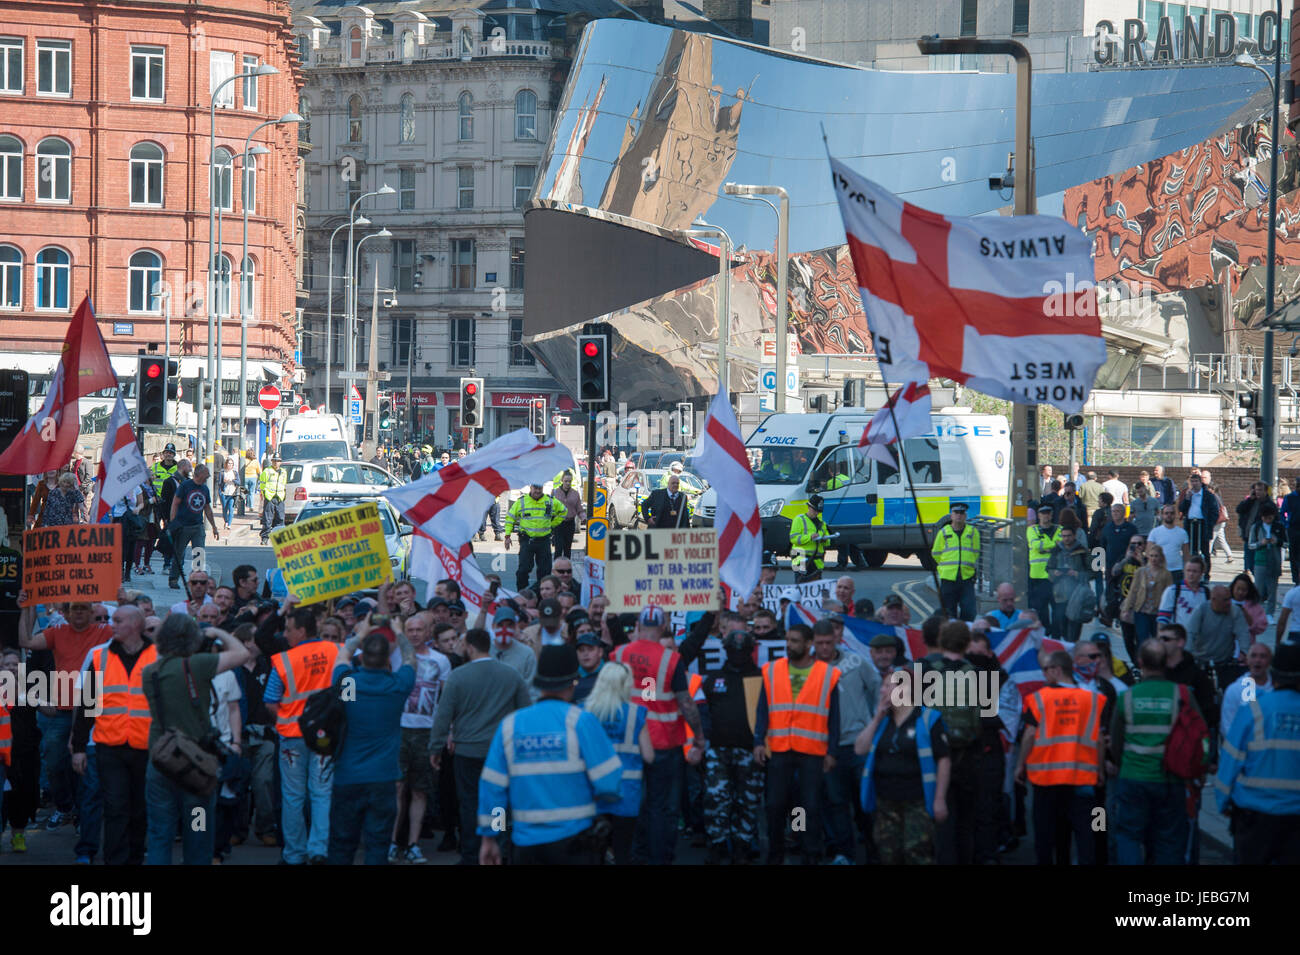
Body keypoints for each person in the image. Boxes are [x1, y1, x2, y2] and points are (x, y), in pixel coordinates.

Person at [475, 644, 622, 865]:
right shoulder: (581, 721)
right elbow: (610, 783)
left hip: (526, 846)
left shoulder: (511, 725)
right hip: (575, 844)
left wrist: (492, 836)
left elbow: (493, 789)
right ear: (574, 683)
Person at [141, 615, 249, 865]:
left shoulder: (151, 672)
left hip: (160, 762)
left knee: (159, 833)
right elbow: (241, 653)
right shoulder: (198, 665)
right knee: (198, 832)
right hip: (195, 769)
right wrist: (216, 632)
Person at [428, 628, 531, 865]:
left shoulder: (458, 676)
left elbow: (443, 715)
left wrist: (435, 748)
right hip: (501, 753)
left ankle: (472, 854)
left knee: (470, 804)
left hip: (468, 752)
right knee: (499, 803)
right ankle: (500, 849)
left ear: (471, 647)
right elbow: (524, 712)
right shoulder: (511, 675)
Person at [612, 606, 705, 865]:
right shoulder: (670, 660)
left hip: (629, 741)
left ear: (638, 626)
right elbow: (686, 702)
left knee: (632, 802)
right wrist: (698, 736)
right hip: (664, 742)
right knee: (660, 807)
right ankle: (660, 858)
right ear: (664, 626)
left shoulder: (619, 654)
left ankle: (635, 856)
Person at [68, 604, 155, 865]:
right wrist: (80, 747)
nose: (111, 625)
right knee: (116, 808)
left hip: (146, 747)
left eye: (118, 620)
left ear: (136, 626)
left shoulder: (158, 656)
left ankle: (135, 859)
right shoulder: (100, 657)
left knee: (139, 810)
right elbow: (87, 705)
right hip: (109, 747)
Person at [18, 597, 113, 833]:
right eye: (74, 609)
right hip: (63, 710)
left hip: (92, 710)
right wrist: (27, 608)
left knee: (86, 766)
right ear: (66, 613)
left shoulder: (104, 632)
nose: (79, 613)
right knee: (53, 760)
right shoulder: (56, 632)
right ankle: (64, 806)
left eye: (84, 608)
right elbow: (25, 641)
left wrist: (121, 600)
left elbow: (134, 631)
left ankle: (83, 814)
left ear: (92, 613)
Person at [328, 625, 415, 866]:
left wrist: (361, 633)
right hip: (383, 778)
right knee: (377, 846)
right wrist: (398, 632)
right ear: (388, 659)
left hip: (348, 775)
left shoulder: (350, 686)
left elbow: (343, 656)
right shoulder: (398, 686)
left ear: (363, 657)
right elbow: (410, 658)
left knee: (341, 845)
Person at [754, 622, 840, 866]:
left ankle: (808, 852)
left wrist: (832, 751)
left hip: (811, 752)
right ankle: (776, 854)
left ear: (808, 644)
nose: (789, 645)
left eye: (794, 641)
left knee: (806, 807)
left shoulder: (826, 674)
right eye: (788, 641)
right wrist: (759, 740)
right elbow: (763, 709)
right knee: (774, 805)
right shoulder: (772, 670)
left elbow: (834, 717)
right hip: (780, 750)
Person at [1109, 638, 1198, 864]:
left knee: (1129, 835)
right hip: (1171, 778)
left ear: (1139, 662)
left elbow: (1116, 744)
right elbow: (1200, 735)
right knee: (1168, 839)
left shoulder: (1126, 697)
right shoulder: (1183, 694)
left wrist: (1124, 764)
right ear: (1167, 662)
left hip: (1133, 777)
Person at [264, 603, 340, 865]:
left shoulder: (284, 660)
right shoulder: (337, 652)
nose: (285, 634)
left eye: (289, 629)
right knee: (322, 792)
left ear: (302, 631)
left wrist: (285, 719)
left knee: (293, 796)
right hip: (324, 737)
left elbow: (270, 701)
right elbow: (349, 688)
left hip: (293, 738)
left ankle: (294, 854)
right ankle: (319, 850)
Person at [1014, 650, 1104, 865]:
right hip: (1082, 777)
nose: (1044, 675)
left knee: (1045, 835)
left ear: (1056, 670)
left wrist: (1020, 765)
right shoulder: (1092, 699)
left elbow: (1029, 735)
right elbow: (1099, 738)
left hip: (1046, 779)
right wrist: (1099, 770)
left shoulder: (1039, 699)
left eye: (1046, 670)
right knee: (1087, 830)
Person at [1216, 638, 1300, 864]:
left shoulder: (1253, 709)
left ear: (1274, 671)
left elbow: (1231, 758)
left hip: (1254, 814)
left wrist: (1223, 800)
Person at [855, 667, 950, 865]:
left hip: (917, 801)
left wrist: (940, 799)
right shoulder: (883, 721)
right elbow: (860, 749)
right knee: (888, 853)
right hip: (885, 801)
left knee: (917, 853)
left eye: (888, 686)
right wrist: (877, 718)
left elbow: (943, 759)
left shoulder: (927, 718)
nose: (882, 690)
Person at [696, 628, 765, 864]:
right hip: (718, 750)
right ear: (725, 651)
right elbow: (703, 712)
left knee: (748, 801)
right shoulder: (713, 678)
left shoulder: (761, 678)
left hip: (750, 751)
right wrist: (703, 741)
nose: (738, 654)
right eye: (733, 650)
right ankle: (717, 846)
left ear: (750, 651)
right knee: (715, 799)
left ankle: (743, 846)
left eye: (742, 650)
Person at [814, 617, 877, 865]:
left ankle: (874, 851)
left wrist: (872, 726)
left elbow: (877, 690)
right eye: (820, 643)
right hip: (827, 748)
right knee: (836, 803)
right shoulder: (808, 669)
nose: (825, 648)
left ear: (838, 639)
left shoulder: (857, 662)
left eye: (829, 642)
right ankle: (844, 854)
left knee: (864, 803)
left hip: (858, 745)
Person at [389, 610, 451, 864]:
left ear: (428, 633)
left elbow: (446, 700)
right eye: (410, 630)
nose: (414, 634)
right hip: (400, 729)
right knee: (397, 787)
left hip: (427, 731)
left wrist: (446, 731)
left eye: (419, 630)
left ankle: (414, 843)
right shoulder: (395, 656)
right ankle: (393, 842)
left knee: (420, 790)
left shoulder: (441, 661)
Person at [582, 660, 653, 865]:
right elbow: (649, 756)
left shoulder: (585, 711)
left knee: (594, 853)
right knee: (623, 852)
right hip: (626, 794)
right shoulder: (636, 713)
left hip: (593, 792)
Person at [504, 483, 564, 591]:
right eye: (535, 488)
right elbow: (510, 518)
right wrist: (507, 536)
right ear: (530, 488)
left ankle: (542, 595)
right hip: (527, 541)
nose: (537, 491)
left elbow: (564, 511)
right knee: (523, 570)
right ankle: (522, 594)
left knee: (545, 572)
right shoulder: (521, 502)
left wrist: (553, 524)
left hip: (544, 541)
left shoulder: (550, 501)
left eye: (540, 488)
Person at [168, 463, 219, 589]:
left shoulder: (205, 489)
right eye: (206, 474)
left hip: (197, 526)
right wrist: (173, 522)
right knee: (178, 553)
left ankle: (197, 579)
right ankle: (173, 578)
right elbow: (175, 503)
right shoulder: (185, 485)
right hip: (183, 525)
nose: (208, 476)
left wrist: (214, 526)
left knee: (199, 553)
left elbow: (207, 509)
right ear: (199, 474)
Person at [1186, 585, 1250, 684]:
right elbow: (1190, 634)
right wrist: (1187, 656)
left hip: (1225, 660)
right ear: (1213, 600)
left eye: (1229, 599)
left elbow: (1243, 633)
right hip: (1201, 658)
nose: (1229, 603)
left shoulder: (1235, 611)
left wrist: (1244, 651)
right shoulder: (1201, 610)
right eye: (1225, 600)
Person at [1120, 542, 1172, 658]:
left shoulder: (1166, 574)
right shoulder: (1141, 572)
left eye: (1156, 556)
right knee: (1142, 638)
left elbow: (1169, 593)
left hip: (1157, 611)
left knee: (1157, 638)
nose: (1153, 559)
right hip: (1141, 610)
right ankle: (1142, 663)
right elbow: (1133, 591)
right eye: (1151, 556)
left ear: (1161, 557)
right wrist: (1127, 609)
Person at [932, 502, 979, 621]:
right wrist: (946, 567)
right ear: (951, 515)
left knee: (969, 611)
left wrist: (967, 565)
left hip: (966, 578)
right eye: (956, 512)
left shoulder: (973, 532)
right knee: (948, 612)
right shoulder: (943, 532)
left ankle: (966, 633)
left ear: (965, 516)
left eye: (961, 513)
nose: (959, 515)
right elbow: (936, 553)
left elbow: (975, 552)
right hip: (948, 579)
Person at [1047, 524, 1092, 642]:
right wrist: (1055, 573)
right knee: (1062, 626)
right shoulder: (1056, 550)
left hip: (1077, 596)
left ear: (1074, 536)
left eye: (1068, 536)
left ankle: (1072, 649)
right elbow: (1049, 568)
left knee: (1074, 628)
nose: (1066, 538)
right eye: (1063, 536)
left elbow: (1093, 572)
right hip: (1060, 594)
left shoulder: (1082, 551)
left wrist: (1077, 574)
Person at [1220, 642, 1273, 739]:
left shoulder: (1278, 689)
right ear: (1247, 660)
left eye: (1263, 656)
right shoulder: (1235, 690)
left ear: (1270, 661)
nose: (1258, 660)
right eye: (1253, 656)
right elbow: (1227, 726)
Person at [1178, 470, 1219, 576]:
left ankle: (1206, 574)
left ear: (1200, 482)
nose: (1194, 484)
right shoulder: (1188, 494)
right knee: (1191, 551)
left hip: (1203, 525)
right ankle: (1191, 572)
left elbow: (1214, 511)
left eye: (1196, 481)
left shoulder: (1208, 495)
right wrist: (1187, 498)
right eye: (1192, 482)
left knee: (1205, 551)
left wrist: (1210, 524)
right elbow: (1181, 508)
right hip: (1191, 525)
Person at [1026, 505, 1059, 635]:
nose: (1045, 516)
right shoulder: (1032, 530)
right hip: (1038, 576)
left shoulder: (1060, 529)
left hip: (1056, 576)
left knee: (1058, 610)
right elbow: (1035, 545)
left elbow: (1061, 545)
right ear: (1038, 515)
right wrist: (1053, 547)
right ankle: (1045, 635)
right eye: (1043, 513)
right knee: (1041, 610)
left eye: (1048, 513)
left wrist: (1043, 548)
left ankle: (1055, 635)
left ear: (1051, 515)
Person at [1247, 502, 1284, 615]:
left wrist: (1276, 541)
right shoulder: (1256, 527)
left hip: (1274, 561)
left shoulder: (1279, 526)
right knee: (1259, 590)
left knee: (1272, 590)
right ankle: (1257, 612)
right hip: (1260, 561)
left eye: (1270, 517)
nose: (1267, 520)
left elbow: (1286, 543)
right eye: (1265, 517)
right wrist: (1260, 543)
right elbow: (1250, 545)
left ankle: (1270, 614)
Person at [1157, 554, 1210, 629]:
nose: (1191, 574)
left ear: (1201, 573)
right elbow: (1163, 618)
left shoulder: (1206, 593)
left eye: (1195, 571)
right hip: (1178, 637)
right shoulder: (1173, 590)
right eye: (1188, 570)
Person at [789, 494, 832, 583]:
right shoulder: (799, 520)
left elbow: (828, 542)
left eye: (818, 511)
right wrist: (810, 537)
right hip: (800, 560)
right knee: (799, 588)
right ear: (809, 507)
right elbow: (793, 538)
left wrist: (825, 539)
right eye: (815, 510)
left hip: (816, 562)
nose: (816, 513)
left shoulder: (822, 523)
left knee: (815, 590)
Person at [1149, 503, 1190, 585]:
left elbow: (1186, 555)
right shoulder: (1155, 532)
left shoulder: (1182, 533)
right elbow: (1148, 552)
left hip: (1177, 571)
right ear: (1162, 515)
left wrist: (1186, 572)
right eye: (1166, 513)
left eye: (1171, 513)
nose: (1169, 515)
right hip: (1160, 569)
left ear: (1175, 515)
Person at [550, 469, 585, 560]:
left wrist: (584, 518)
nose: (568, 483)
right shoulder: (555, 492)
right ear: (562, 481)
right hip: (558, 524)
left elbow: (579, 509)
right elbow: (550, 508)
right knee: (558, 549)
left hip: (570, 524)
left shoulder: (575, 494)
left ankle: (566, 570)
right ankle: (556, 570)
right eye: (566, 481)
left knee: (567, 549)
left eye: (569, 481)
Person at [257, 455, 287, 545]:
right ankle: (265, 537)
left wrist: (283, 494)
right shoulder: (267, 471)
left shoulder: (284, 472)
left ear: (280, 462)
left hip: (280, 497)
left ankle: (279, 537)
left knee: (280, 518)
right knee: (267, 519)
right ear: (272, 461)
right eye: (274, 461)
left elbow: (284, 483)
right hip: (269, 497)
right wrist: (264, 494)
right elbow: (262, 484)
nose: (276, 463)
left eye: (278, 461)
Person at [218, 457, 239, 533]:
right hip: (224, 493)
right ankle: (226, 521)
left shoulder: (235, 473)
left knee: (231, 508)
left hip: (232, 493)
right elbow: (219, 483)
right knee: (224, 509)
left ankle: (229, 524)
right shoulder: (222, 472)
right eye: (229, 463)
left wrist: (233, 480)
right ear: (226, 464)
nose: (230, 465)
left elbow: (238, 482)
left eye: (231, 464)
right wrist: (224, 481)